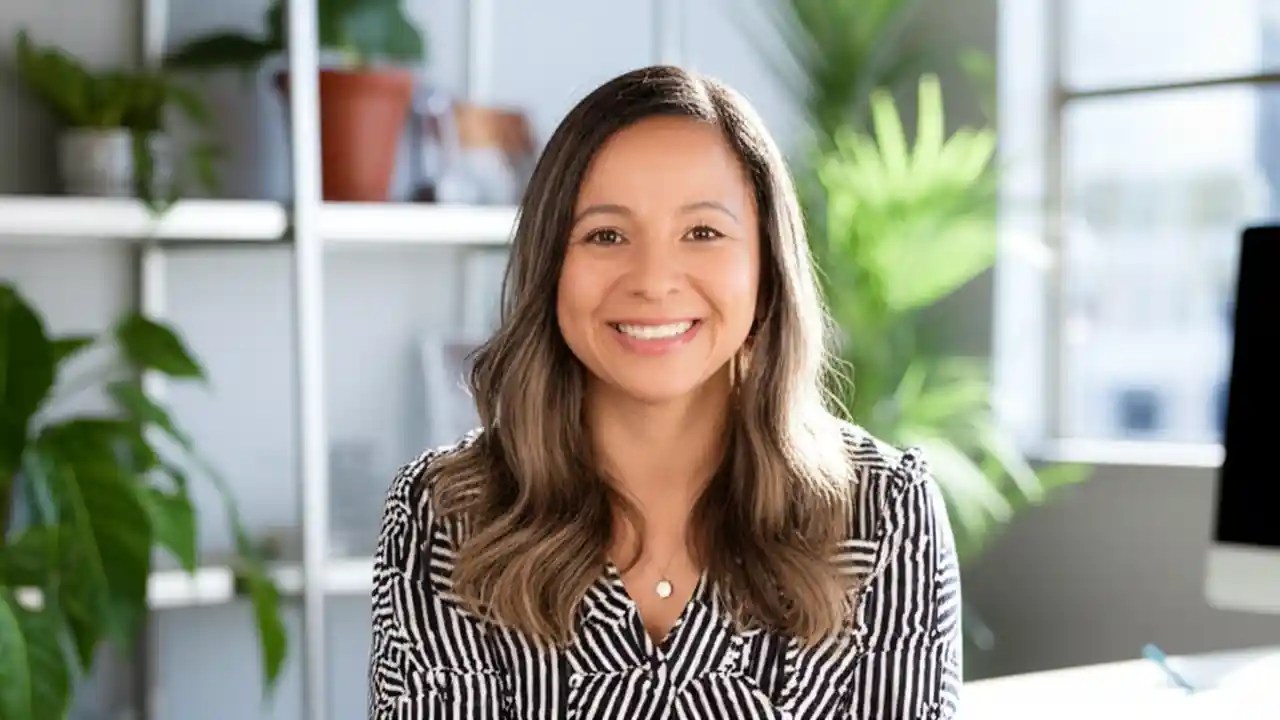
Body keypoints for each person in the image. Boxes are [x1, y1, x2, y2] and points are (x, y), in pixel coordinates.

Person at [368, 65, 961, 719]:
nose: (653, 280)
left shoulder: (884, 512)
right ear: (550, 267)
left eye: (703, 233)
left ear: (766, 264)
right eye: (606, 235)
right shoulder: (445, 514)